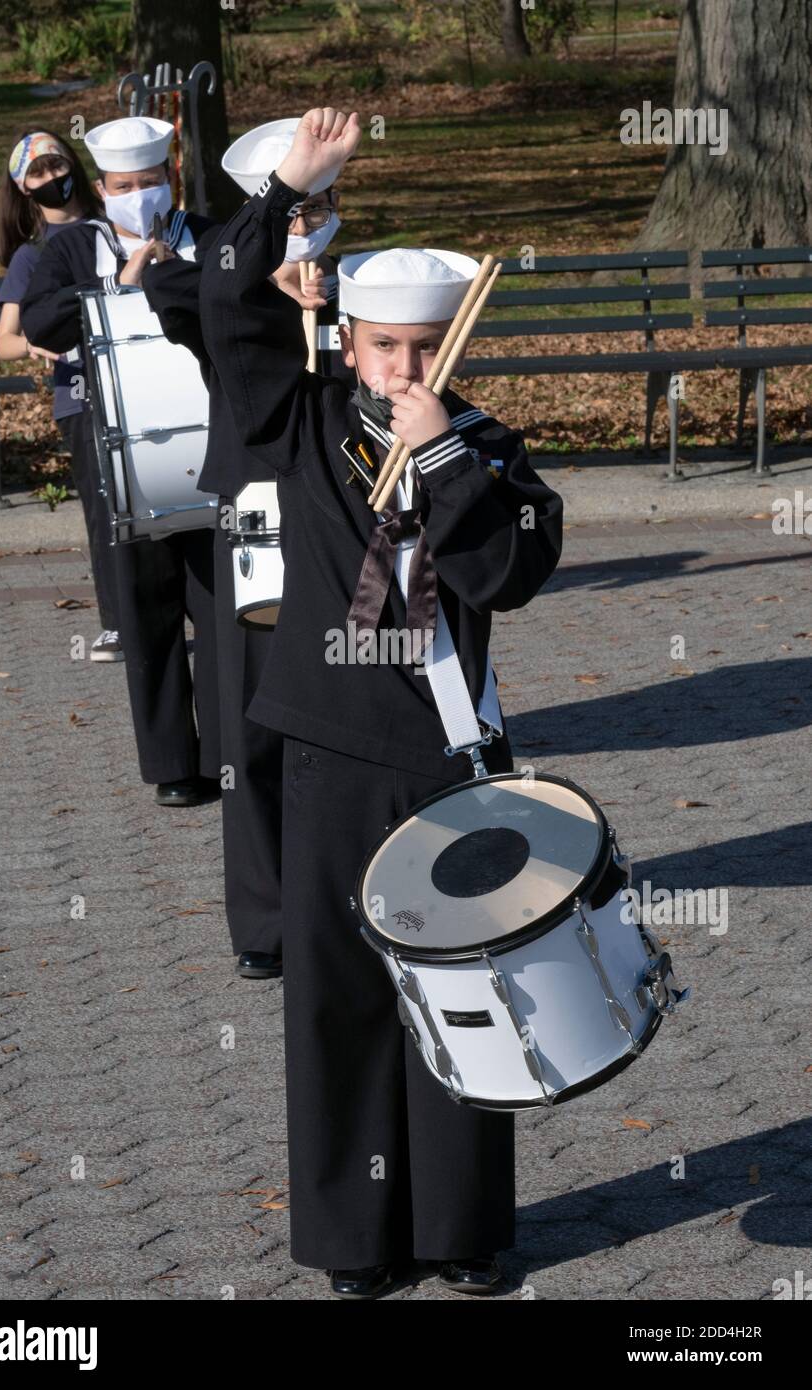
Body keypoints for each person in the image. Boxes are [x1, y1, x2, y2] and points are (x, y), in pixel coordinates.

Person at [199, 107, 564, 1297]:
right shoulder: (296, 426)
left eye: (425, 348)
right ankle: (355, 1237)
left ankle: (459, 1227)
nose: (406, 370)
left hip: (447, 754)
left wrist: (450, 456)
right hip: (326, 749)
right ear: (347, 343)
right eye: (384, 349)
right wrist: (282, 198)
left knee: (460, 995)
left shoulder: (488, 450)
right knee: (341, 996)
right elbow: (226, 312)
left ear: (452, 345)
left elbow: (513, 565)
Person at [144, 117, 354, 978]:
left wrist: (333, 301)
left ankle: (353, 895)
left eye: (324, 202)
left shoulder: (355, 284)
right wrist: (271, 244)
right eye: (299, 206)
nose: (313, 221)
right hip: (261, 519)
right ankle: (267, 924)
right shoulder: (220, 283)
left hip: (344, 522)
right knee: (257, 725)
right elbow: (177, 293)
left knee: (345, 713)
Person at [20, 116, 221, 807]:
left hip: (211, 441)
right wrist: (117, 285)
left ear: (170, 177)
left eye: (151, 181)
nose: (139, 195)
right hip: (118, 445)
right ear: (102, 188)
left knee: (220, 603)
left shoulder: (206, 234)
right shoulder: (76, 244)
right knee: (145, 607)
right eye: (124, 186)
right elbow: (39, 322)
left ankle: (227, 753)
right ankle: (173, 765)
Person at [0, 130, 120, 661]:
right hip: (81, 398)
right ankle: (118, 623)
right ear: (24, 188)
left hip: (142, 392)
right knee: (106, 513)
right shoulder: (31, 255)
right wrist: (38, 346)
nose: (51, 179)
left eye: (57, 165)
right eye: (38, 173)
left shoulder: (117, 227)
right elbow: (5, 342)